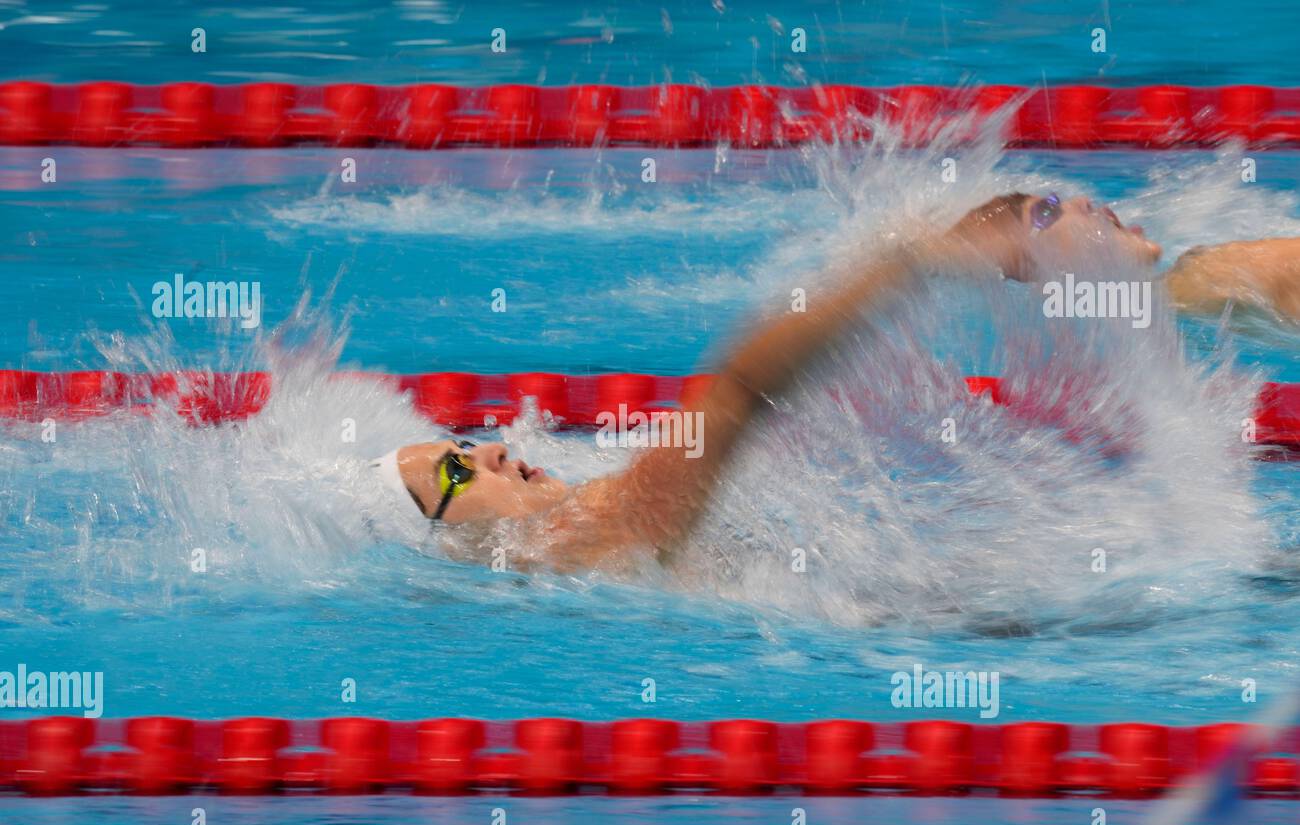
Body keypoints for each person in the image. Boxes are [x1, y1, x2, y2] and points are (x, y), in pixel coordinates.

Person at [370, 192, 1299, 573]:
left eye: (465, 443)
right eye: (454, 472)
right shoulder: (577, 542)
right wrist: (916, 264)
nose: (489, 446)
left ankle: (1172, 283)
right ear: (441, 540)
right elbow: (734, 395)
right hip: (1015, 623)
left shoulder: (582, 533)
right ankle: (1177, 283)